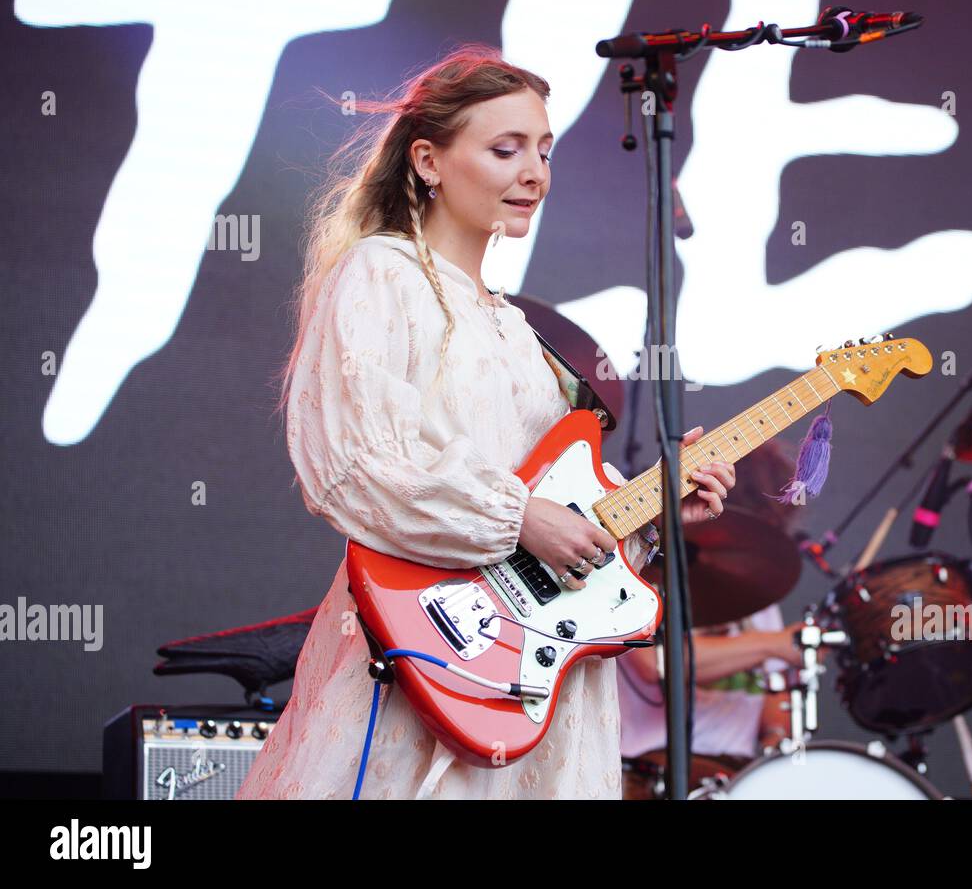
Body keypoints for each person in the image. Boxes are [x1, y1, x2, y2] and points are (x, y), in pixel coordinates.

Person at [236, 44, 735, 800]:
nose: (535, 172)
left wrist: (653, 509)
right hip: (429, 651)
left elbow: (549, 521)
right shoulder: (383, 274)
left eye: (543, 150)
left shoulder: (516, 333)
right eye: (506, 149)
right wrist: (516, 516)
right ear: (429, 160)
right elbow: (355, 464)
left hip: (531, 670)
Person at [617, 443, 815, 796]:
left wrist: (775, 743)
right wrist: (774, 645)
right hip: (645, 772)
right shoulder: (640, 581)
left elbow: (775, 698)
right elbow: (655, 663)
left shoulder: (760, 604)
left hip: (733, 778)